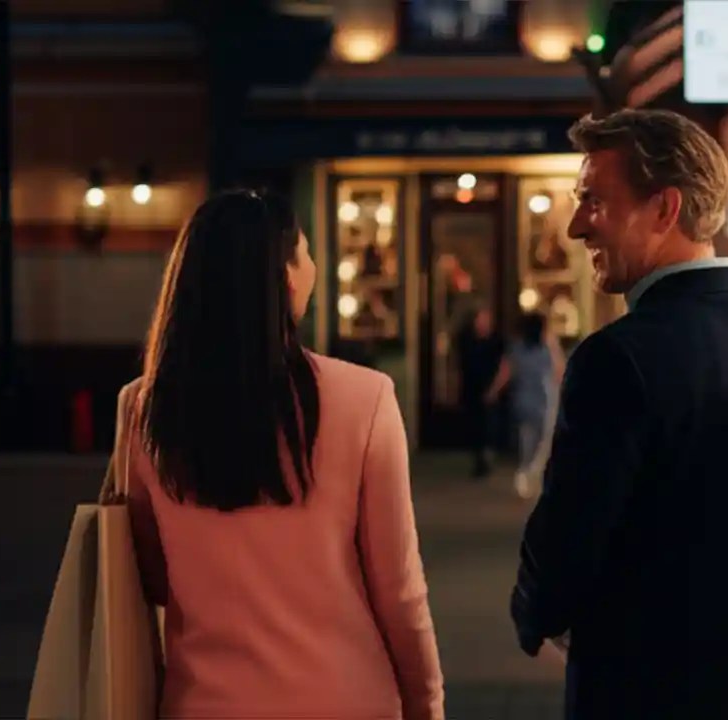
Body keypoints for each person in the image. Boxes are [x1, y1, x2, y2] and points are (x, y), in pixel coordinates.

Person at [510, 109, 728, 720]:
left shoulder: (616, 359)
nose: (577, 226)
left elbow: (565, 548)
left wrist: (537, 612)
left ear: (664, 208)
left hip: (653, 691)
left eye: (594, 201)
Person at [102, 190, 444, 720]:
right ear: (285, 277)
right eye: (305, 253)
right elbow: (399, 591)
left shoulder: (144, 409)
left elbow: (150, 574)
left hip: (206, 705)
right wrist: (427, 704)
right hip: (345, 702)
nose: (313, 267)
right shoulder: (366, 399)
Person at [484, 311, 564, 499]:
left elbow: (505, 372)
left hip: (523, 401)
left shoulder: (517, 348)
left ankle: (525, 475)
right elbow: (559, 372)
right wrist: (554, 345)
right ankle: (530, 476)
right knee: (542, 442)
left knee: (527, 441)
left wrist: (493, 391)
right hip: (541, 402)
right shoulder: (545, 350)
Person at [458, 307, 505, 478]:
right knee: (474, 425)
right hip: (471, 389)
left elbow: (504, 366)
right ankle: (479, 459)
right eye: (479, 319)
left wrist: (494, 389)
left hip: (490, 389)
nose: (482, 323)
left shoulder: (496, 341)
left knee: (489, 425)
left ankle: (487, 458)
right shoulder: (467, 340)